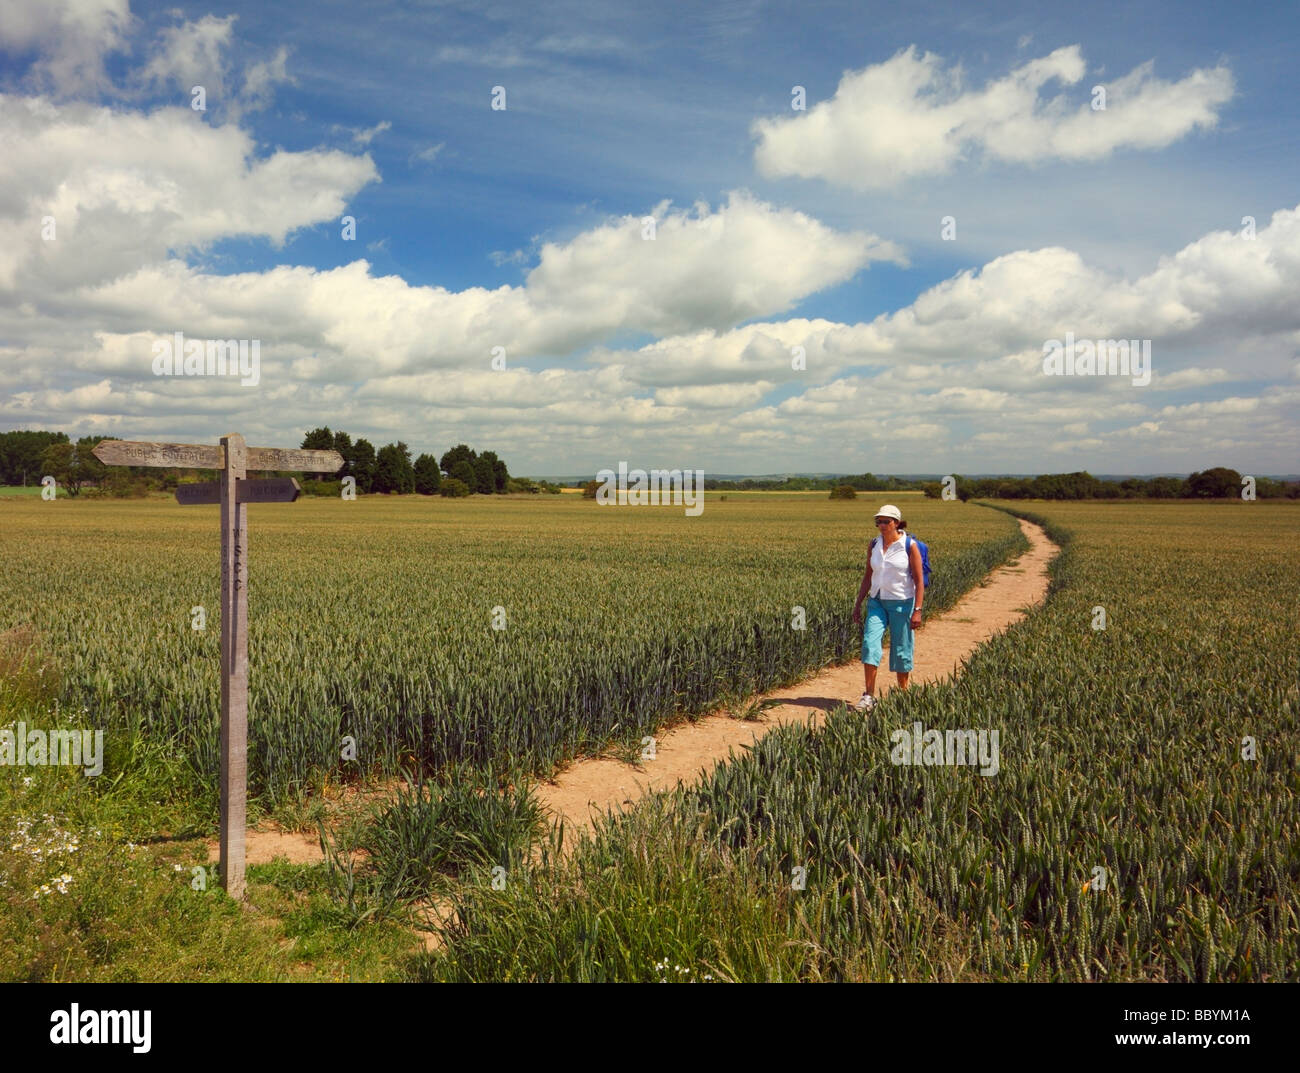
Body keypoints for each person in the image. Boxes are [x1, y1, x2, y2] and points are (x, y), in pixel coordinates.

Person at [850, 504, 924, 712]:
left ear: (897, 523)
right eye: (878, 521)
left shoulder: (909, 545)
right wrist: (858, 603)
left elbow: (919, 581)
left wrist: (917, 609)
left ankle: (903, 694)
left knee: (901, 649)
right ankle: (869, 696)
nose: (881, 525)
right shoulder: (873, 544)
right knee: (869, 644)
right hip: (877, 602)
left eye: (886, 521)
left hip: (903, 603)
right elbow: (868, 576)